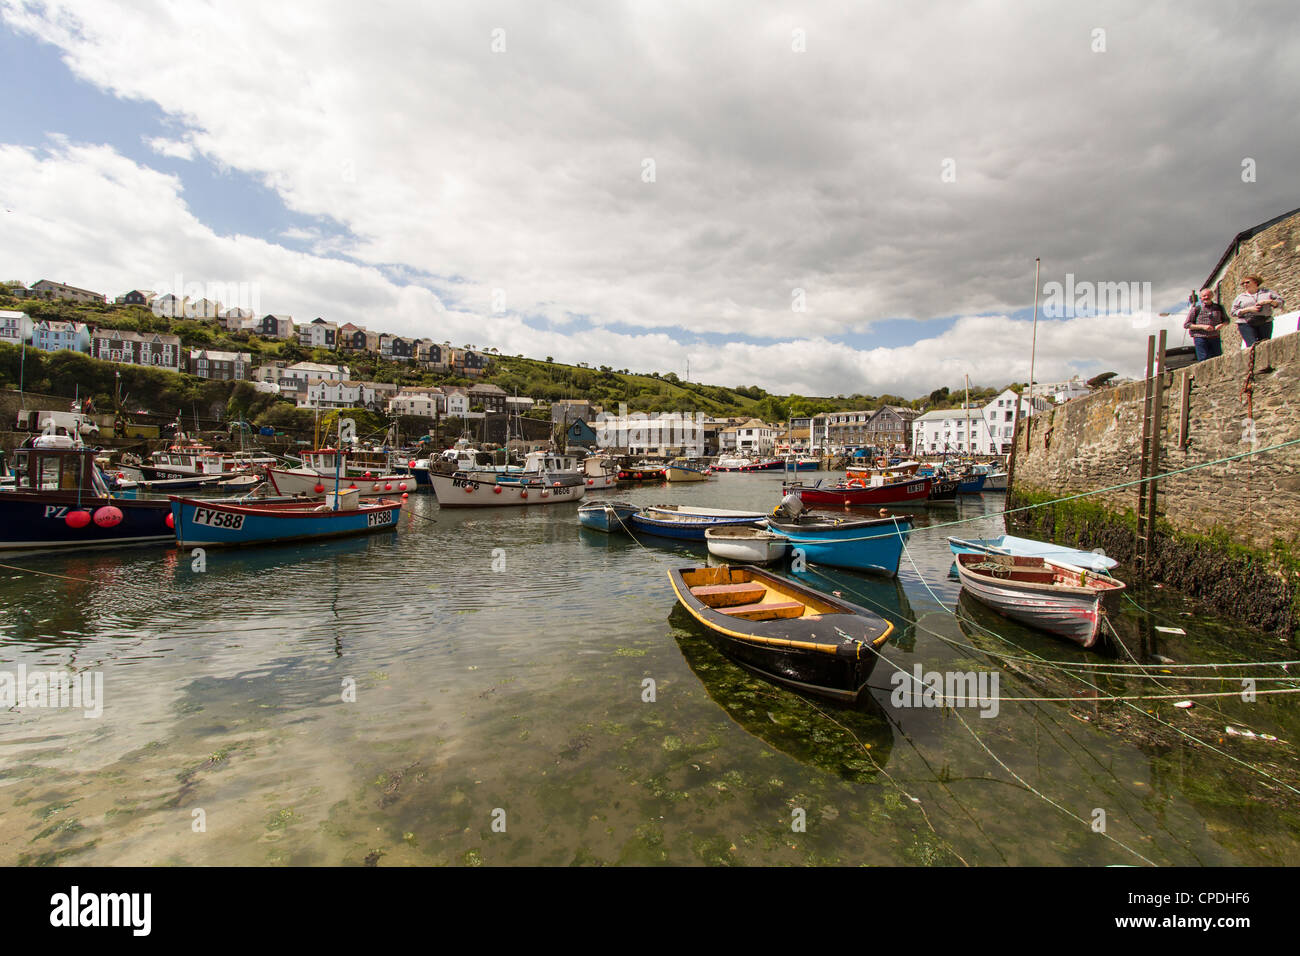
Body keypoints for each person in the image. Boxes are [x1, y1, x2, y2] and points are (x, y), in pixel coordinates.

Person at [1230, 274, 1285, 347]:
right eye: (1243, 283)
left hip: (1265, 321)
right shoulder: (1240, 297)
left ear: (1255, 282)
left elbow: (1281, 302)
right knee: (1252, 345)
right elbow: (1233, 312)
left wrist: (1268, 301)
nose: (1245, 285)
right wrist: (1248, 309)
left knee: (1266, 345)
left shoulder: (1267, 292)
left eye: (1247, 282)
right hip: (1246, 323)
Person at [1184, 288, 1229, 361]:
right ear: (1200, 298)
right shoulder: (1196, 309)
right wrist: (1202, 327)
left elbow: (1227, 320)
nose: (1206, 297)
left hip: (1215, 337)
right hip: (1200, 338)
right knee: (1203, 359)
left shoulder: (1219, 308)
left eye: (1209, 295)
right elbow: (1187, 325)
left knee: (1218, 359)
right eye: (1204, 296)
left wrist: (1221, 325)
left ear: (1212, 296)